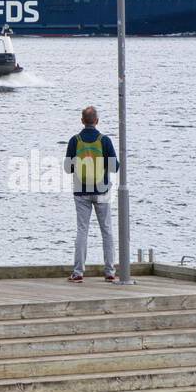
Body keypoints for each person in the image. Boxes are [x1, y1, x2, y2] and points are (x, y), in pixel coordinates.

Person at [64, 106, 118, 282]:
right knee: (107, 230)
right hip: (101, 190)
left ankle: (78, 272)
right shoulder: (105, 141)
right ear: (97, 121)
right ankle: (110, 272)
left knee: (82, 230)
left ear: (82, 121)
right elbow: (114, 167)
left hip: (81, 191)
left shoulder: (75, 140)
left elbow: (67, 168)